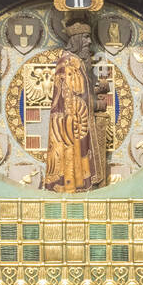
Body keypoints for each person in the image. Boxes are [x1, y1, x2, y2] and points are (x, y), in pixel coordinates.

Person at [44, 18, 107, 191]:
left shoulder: (77, 62)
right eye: (85, 37)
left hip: (78, 121)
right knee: (72, 157)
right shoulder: (68, 63)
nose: (89, 42)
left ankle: (82, 184)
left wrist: (96, 89)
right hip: (70, 123)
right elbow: (73, 97)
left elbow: (82, 91)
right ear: (76, 39)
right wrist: (96, 104)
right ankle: (74, 185)